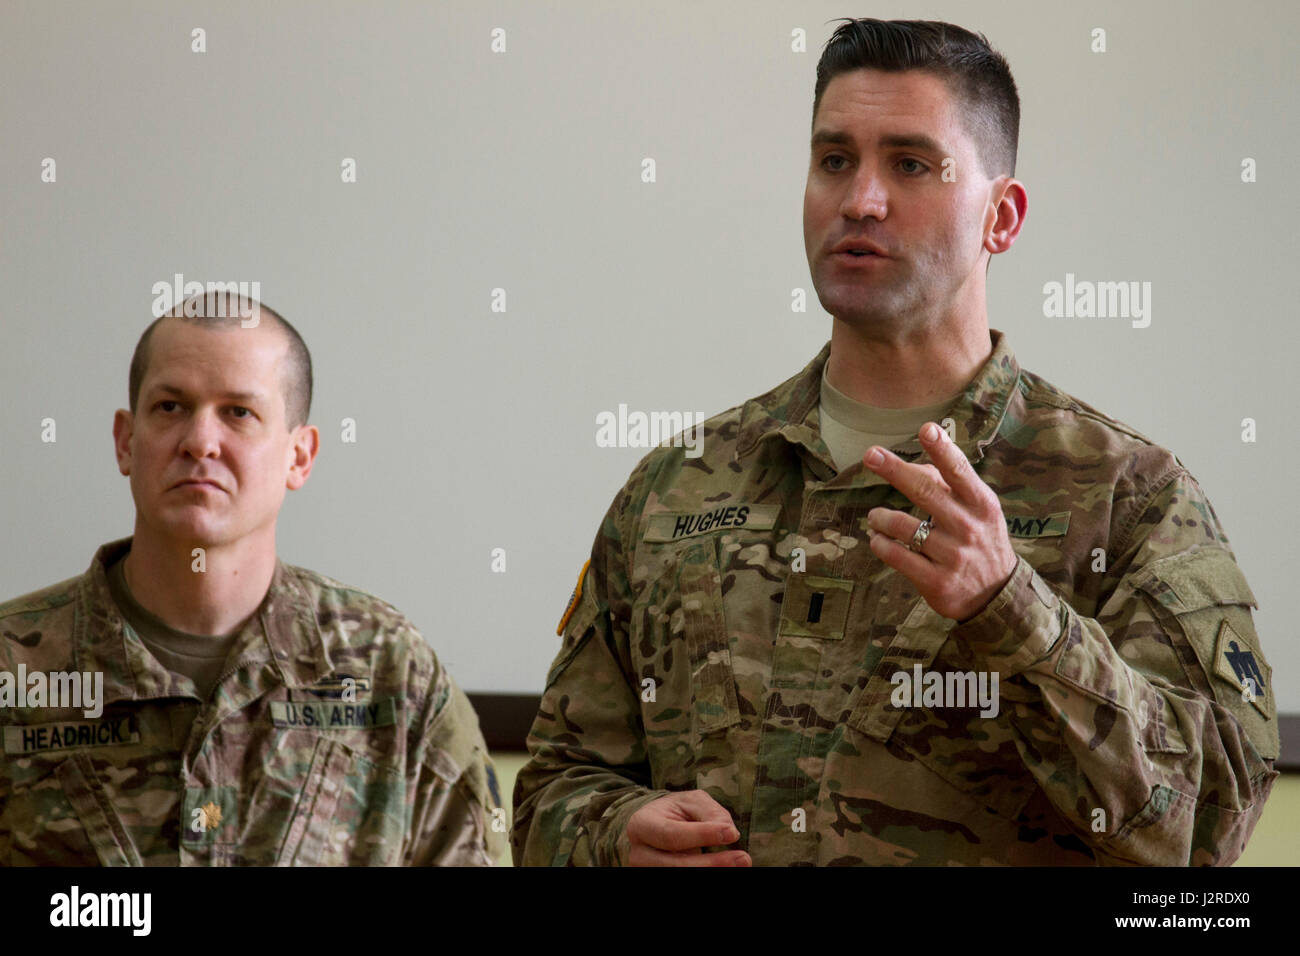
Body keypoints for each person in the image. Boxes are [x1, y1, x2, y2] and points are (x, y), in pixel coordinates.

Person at [511, 18, 1278, 866]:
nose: (859, 199)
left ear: (1003, 216)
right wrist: (612, 838)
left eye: (910, 164)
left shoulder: (1130, 499)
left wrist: (1013, 612)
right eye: (834, 160)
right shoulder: (676, 488)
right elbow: (552, 785)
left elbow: (1207, 832)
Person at [0, 293, 505, 865]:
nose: (200, 441)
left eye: (238, 412)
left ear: (299, 456)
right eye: (170, 407)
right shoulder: (13, 666)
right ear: (126, 440)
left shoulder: (393, 672)